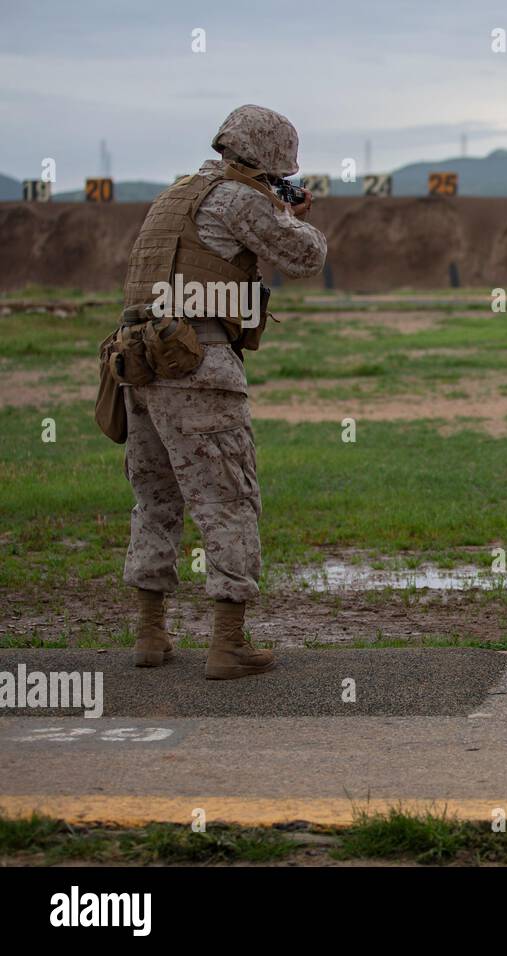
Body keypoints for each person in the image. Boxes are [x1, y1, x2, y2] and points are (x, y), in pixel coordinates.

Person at [120, 104, 326, 678]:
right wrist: (293, 216)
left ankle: (150, 634)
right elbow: (307, 257)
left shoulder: (178, 192)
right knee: (228, 498)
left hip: (140, 362)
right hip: (197, 365)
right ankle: (227, 644)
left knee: (156, 499)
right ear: (271, 156)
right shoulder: (239, 198)